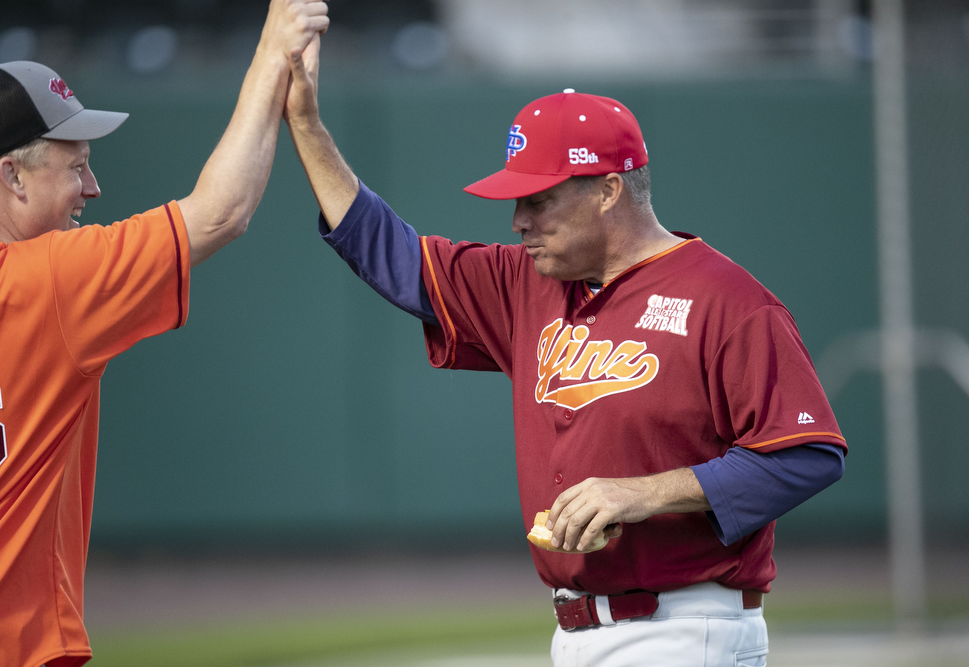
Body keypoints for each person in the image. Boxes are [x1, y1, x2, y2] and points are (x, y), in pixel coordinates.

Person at [283, 38, 846, 667]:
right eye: (517, 201)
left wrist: (643, 493)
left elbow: (808, 456)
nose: (519, 220)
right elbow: (388, 253)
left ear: (607, 191)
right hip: (577, 630)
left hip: (686, 626)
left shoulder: (728, 302)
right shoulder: (528, 283)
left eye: (541, 200)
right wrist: (306, 126)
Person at [0, 2, 329, 665]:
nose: (93, 186)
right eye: (73, 166)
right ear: (10, 175)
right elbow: (222, 212)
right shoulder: (43, 280)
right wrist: (270, 54)